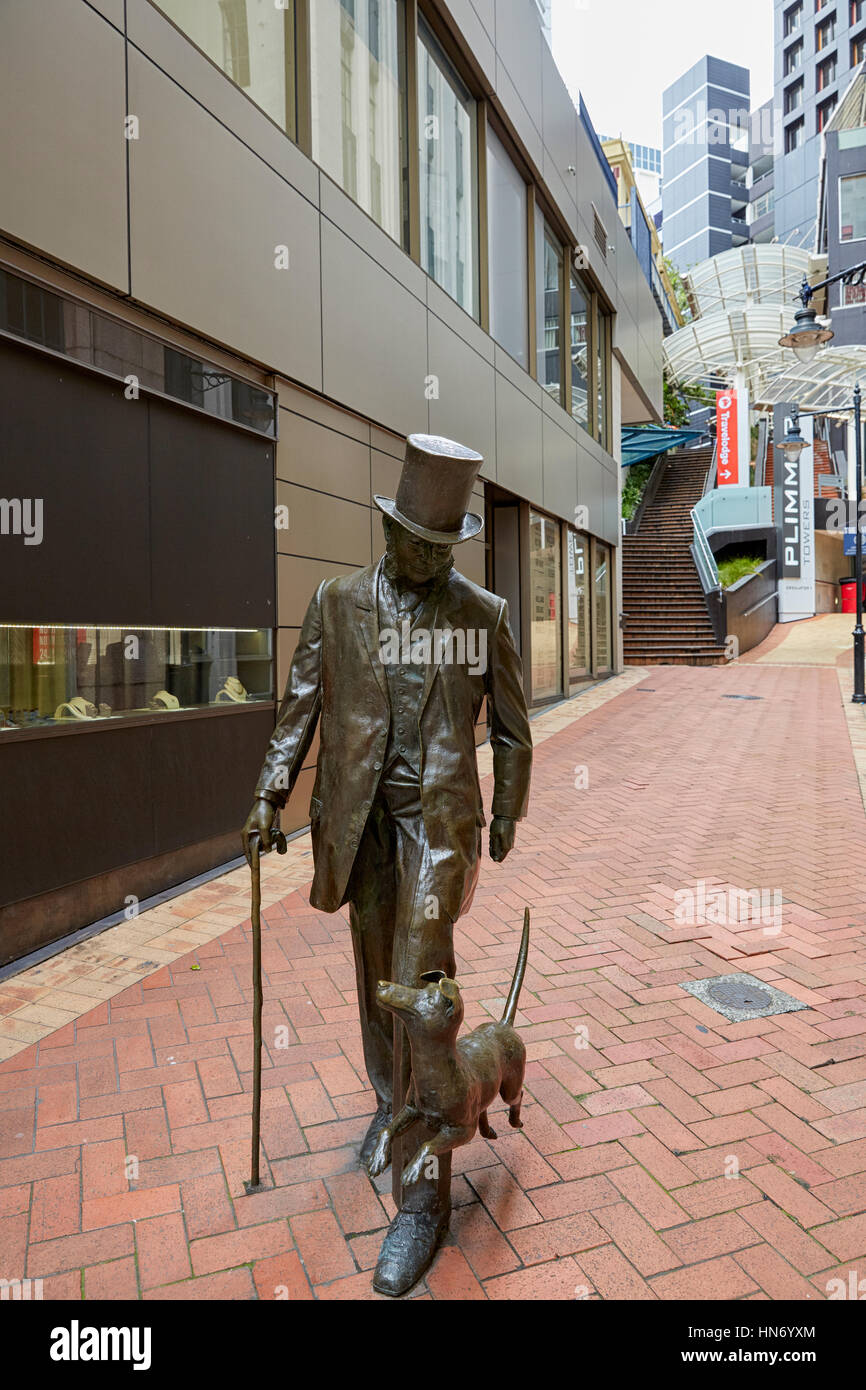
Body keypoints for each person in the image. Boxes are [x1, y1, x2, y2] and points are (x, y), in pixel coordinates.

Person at [243, 433, 532, 1295]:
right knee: (377, 981)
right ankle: (386, 1102)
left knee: (419, 983)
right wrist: (269, 793)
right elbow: (300, 706)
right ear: (392, 530)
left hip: (437, 830)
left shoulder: (480, 617)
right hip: (359, 826)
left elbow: (513, 727)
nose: (430, 560)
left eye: (444, 549)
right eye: (419, 543)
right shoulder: (336, 603)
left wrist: (508, 807)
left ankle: (423, 1200)